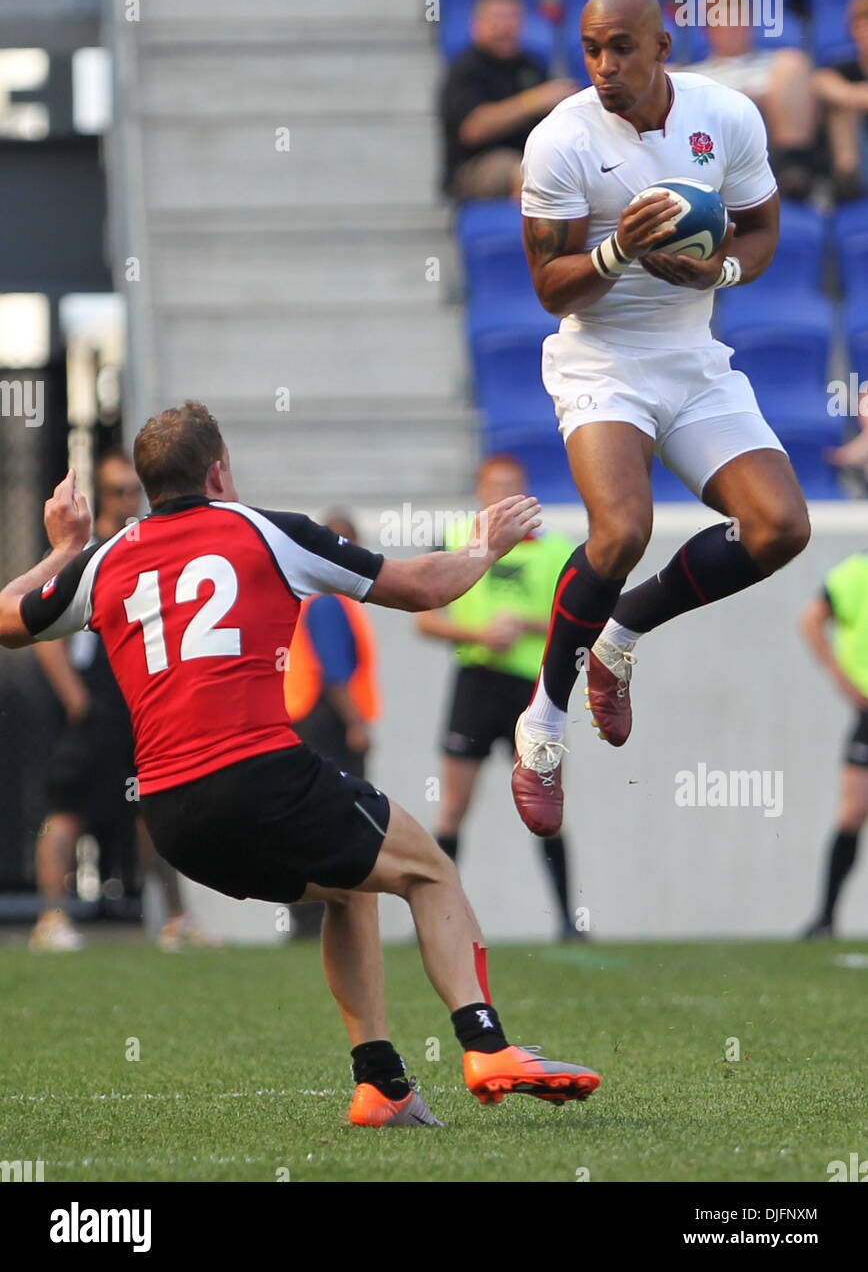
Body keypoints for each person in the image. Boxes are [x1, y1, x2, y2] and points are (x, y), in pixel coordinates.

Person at [0, 402, 600, 1127]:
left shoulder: (106, 559)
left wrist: (65, 545)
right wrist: (486, 546)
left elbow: (8, 618)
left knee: (350, 890)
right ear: (220, 468)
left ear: (151, 485)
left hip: (171, 816)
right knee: (430, 869)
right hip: (260, 777)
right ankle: (489, 1045)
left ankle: (381, 1085)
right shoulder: (264, 529)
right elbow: (420, 588)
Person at [511, 0, 810, 837]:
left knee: (780, 527)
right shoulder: (560, 140)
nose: (605, 66)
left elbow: (759, 231)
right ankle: (545, 722)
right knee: (620, 530)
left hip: (691, 358)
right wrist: (616, 250)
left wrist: (714, 273)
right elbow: (547, 289)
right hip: (601, 359)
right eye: (592, 49)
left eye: (622, 49)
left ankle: (624, 628)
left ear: (662, 46)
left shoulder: (728, 116)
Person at [29, 451, 197, 953]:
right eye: (119, 491)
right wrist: (78, 700)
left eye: (134, 490)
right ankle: (51, 919)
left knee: (156, 807)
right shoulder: (84, 553)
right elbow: (41, 631)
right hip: (99, 703)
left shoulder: (145, 545)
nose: (130, 499)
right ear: (101, 496)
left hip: (143, 703)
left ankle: (176, 922)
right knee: (68, 808)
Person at [416, 454, 580, 940]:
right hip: (476, 681)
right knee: (453, 806)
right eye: (495, 486)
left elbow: (583, 621)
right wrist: (482, 634)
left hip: (535, 691)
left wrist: (527, 625)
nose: (503, 494)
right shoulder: (453, 541)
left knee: (547, 806)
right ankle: (436, 921)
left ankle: (568, 921)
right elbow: (425, 619)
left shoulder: (559, 550)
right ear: (480, 491)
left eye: (513, 486)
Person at [283, 511, 381, 940]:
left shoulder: (317, 595)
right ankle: (319, 918)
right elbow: (335, 671)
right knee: (338, 818)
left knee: (312, 818)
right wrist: (356, 723)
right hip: (326, 721)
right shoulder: (327, 599)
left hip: (311, 718)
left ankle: (315, 917)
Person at [678, 0, 818, 201]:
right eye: (725, 22)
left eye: (739, 21)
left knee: (794, 63)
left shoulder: (779, 64)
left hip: (774, 145)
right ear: (709, 30)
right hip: (716, 149)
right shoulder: (696, 74)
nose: (734, 29)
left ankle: (792, 167)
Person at [441, 0, 576, 201]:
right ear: (476, 24)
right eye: (496, 18)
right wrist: (533, 100)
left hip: (528, 157)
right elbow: (473, 128)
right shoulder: (465, 69)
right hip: (473, 168)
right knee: (528, 173)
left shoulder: (531, 66)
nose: (504, 26)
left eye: (511, 18)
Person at [799, 556, 868, 937]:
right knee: (853, 812)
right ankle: (825, 918)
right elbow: (810, 619)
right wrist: (840, 678)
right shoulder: (856, 574)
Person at [812, 0, 868, 203]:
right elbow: (820, 82)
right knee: (840, 109)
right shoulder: (842, 66)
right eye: (861, 26)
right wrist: (855, 96)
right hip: (856, 157)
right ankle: (847, 177)